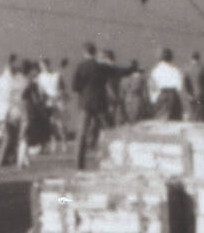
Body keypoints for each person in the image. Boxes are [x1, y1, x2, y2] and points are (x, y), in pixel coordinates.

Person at [71, 42, 135, 170]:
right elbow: (119, 71)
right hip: (100, 102)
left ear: (84, 52)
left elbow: (75, 87)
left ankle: (79, 164)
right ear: (94, 52)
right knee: (109, 130)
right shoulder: (101, 67)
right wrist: (132, 68)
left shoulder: (80, 67)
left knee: (82, 133)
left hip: (85, 103)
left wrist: (84, 90)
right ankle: (115, 157)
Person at [35, 57, 67, 154]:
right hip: (47, 102)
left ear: (48, 65)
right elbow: (40, 91)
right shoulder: (40, 77)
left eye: (44, 65)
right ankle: (54, 142)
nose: (43, 68)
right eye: (41, 66)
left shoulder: (57, 75)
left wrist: (58, 96)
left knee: (60, 124)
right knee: (51, 124)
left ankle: (64, 142)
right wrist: (45, 98)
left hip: (58, 102)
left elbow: (63, 88)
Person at [148, 48, 184, 121]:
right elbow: (180, 86)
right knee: (174, 121)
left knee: (160, 120)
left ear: (160, 58)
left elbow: (152, 87)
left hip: (162, 95)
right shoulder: (176, 70)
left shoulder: (156, 70)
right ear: (171, 58)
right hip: (174, 96)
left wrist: (154, 100)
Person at [184, 50, 204, 122]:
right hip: (202, 95)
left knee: (193, 115)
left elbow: (185, 84)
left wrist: (188, 94)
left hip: (192, 96)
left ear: (191, 58)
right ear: (199, 58)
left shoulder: (187, 69)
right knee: (202, 115)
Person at [119, 58, 148, 124]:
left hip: (127, 100)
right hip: (137, 100)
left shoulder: (124, 79)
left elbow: (121, 94)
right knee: (137, 122)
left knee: (129, 120)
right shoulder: (141, 78)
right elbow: (145, 94)